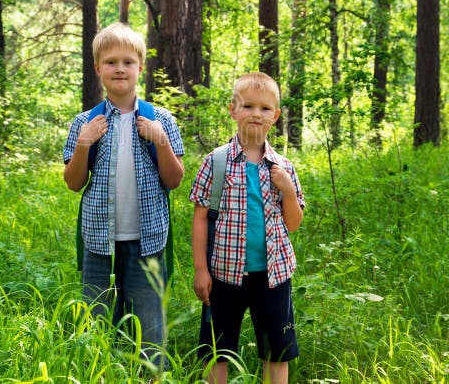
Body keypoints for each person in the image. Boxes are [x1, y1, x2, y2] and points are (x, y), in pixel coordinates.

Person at [63, 22, 185, 364]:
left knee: (150, 323)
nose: (120, 68)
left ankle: (150, 373)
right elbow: (73, 182)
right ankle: (99, 370)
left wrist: (160, 141)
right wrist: (85, 142)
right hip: (98, 239)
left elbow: (174, 180)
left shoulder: (161, 119)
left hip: (148, 239)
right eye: (111, 61)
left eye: (128, 61)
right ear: (98, 68)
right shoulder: (84, 122)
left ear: (140, 67)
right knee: (96, 316)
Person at [189, 72, 305, 384]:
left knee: (276, 350)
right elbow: (201, 217)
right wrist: (201, 269)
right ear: (233, 109)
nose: (256, 113)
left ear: (276, 116)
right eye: (248, 106)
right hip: (224, 274)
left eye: (265, 108)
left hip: (273, 276)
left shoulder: (284, 168)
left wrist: (288, 191)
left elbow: (293, 224)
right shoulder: (215, 162)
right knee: (217, 348)